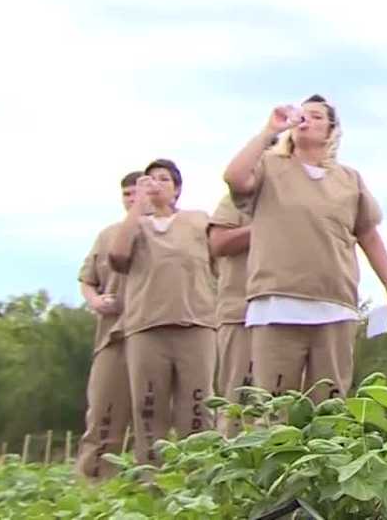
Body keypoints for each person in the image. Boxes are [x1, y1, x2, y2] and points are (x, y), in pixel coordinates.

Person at [224, 95, 387, 405]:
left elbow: (368, 234)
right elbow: (234, 177)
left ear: (331, 131)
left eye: (317, 116)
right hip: (277, 303)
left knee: (329, 408)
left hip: (334, 306)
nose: (306, 120)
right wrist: (269, 131)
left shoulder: (349, 179)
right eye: (302, 114)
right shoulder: (270, 166)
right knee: (275, 408)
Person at [109, 159, 217, 464]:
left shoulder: (198, 220)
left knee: (197, 408)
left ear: (177, 189)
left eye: (163, 179)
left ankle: (197, 475)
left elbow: (218, 257)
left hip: (195, 324)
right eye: (149, 180)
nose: (155, 184)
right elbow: (118, 257)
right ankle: (150, 479)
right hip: (147, 327)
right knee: (148, 407)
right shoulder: (135, 226)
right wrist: (138, 206)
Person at [74, 170, 142, 481]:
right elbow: (88, 281)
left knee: (156, 418)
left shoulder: (171, 230)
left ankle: (157, 487)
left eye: (137, 192)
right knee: (103, 416)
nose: (132, 200)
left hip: (158, 333)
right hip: (113, 338)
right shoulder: (107, 235)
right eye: (127, 194)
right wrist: (95, 301)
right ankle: (94, 487)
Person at [207, 192, 253, 435]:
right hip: (242, 313)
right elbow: (219, 243)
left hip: (299, 314)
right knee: (240, 400)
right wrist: (269, 224)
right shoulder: (236, 200)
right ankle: (235, 466)